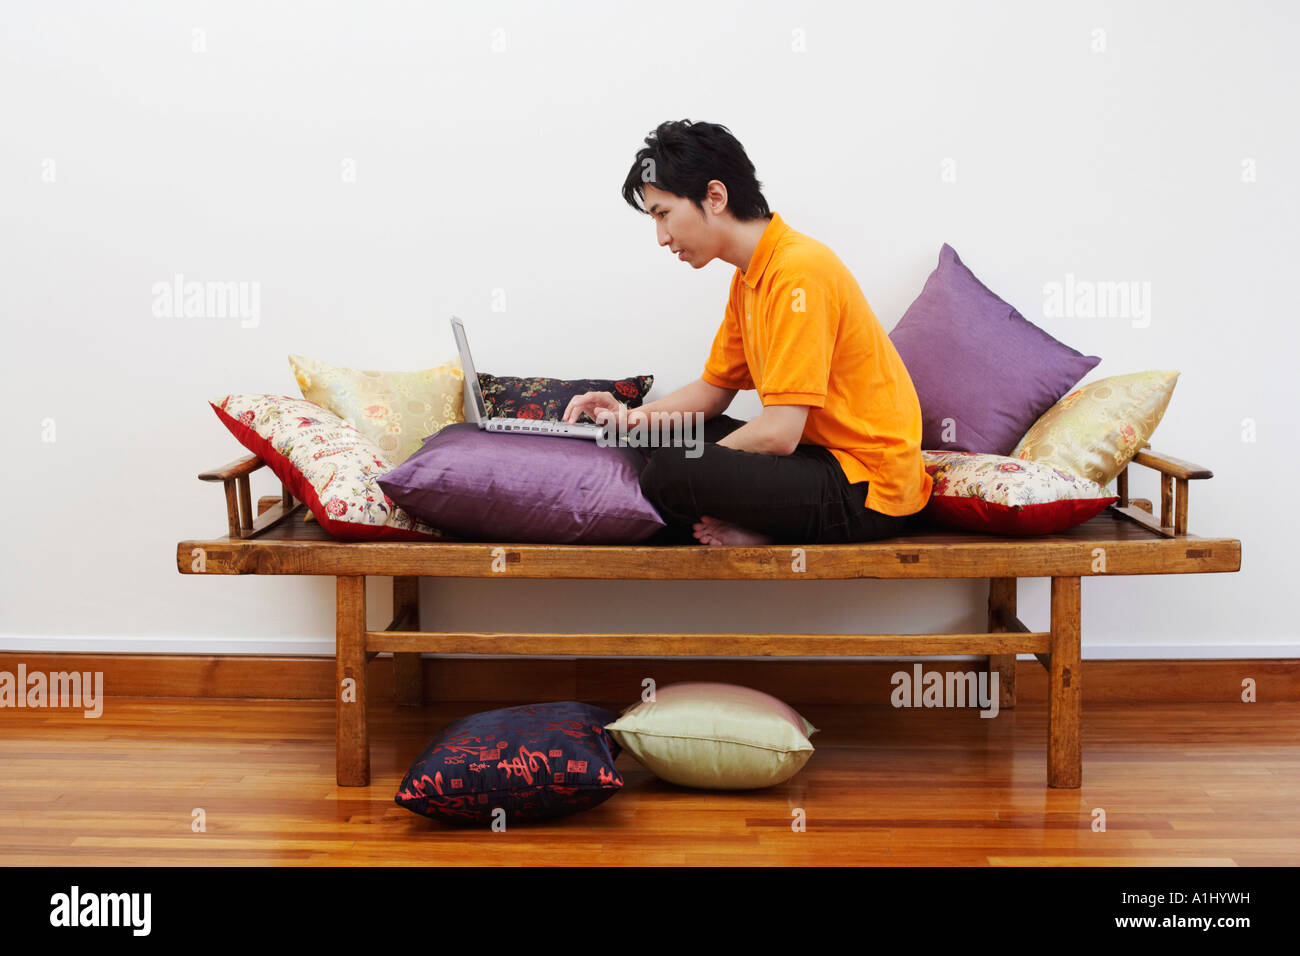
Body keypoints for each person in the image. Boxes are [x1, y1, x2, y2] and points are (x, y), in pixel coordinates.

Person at [562, 119, 933, 546]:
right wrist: (629, 421)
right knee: (670, 438)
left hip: (868, 490)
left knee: (671, 469)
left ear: (715, 197)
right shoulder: (749, 276)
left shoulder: (798, 272)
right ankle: (751, 520)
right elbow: (713, 391)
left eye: (664, 214)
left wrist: (701, 467)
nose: (662, 238)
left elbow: (779, 433)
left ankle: (759, 529)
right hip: (818, 461)